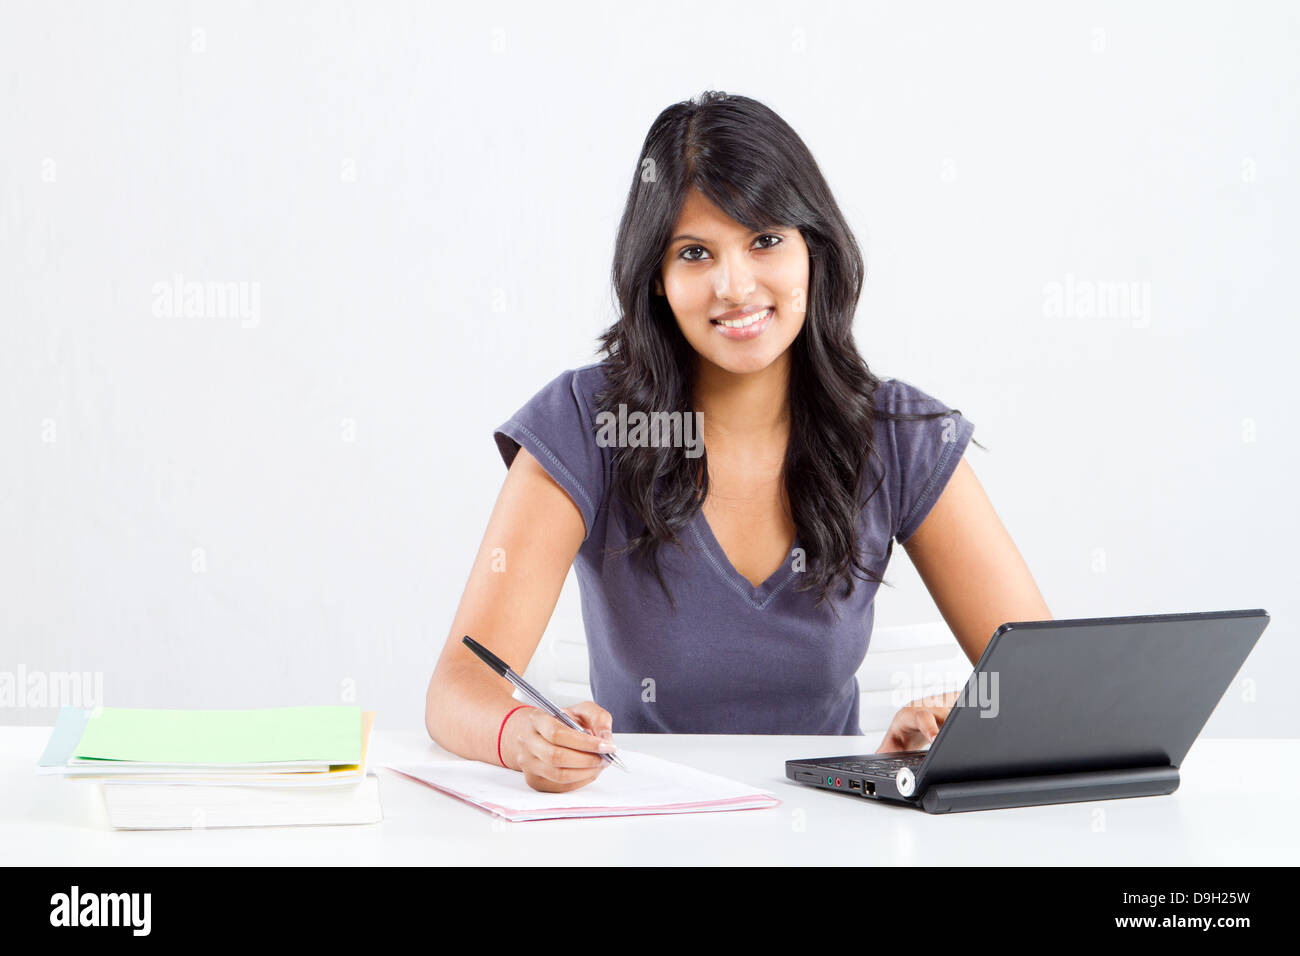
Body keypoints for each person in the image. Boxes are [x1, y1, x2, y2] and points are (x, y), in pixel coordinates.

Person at [425, 91, 1051, 793]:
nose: (735, 285)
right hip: (642, 830)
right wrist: (518, 735)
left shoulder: (897, 434)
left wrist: (937, 742)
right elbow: (458, 686)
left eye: (765, 240)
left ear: (813, 248)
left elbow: (1048, 687)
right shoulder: (587, 421)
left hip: (826, 834)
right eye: (694, 253)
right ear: (657, 280)